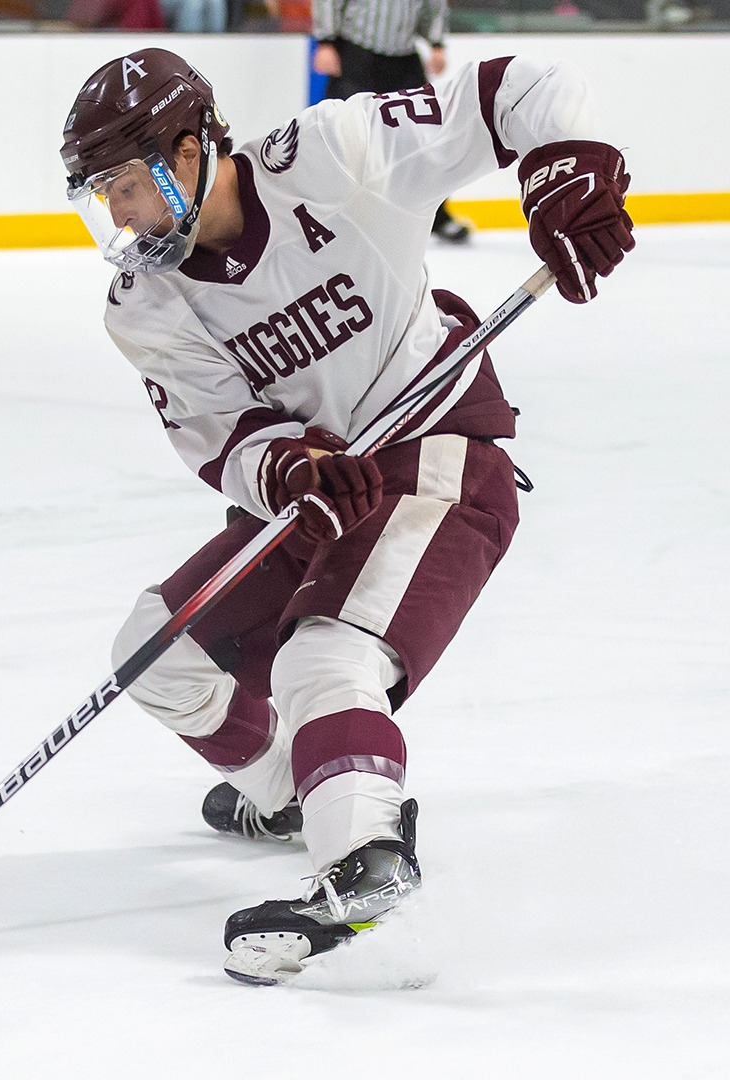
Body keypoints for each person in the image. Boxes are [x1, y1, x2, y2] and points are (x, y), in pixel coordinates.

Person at [58, 48, 631, 983]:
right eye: (103, 195)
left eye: (128, 184)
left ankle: (365, 859)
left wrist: (566, 170)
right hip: (327, 498)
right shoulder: (144, 303)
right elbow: (219, 437)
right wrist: (284, 469)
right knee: (153, 653)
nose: (119, 214)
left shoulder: (329, 158)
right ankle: (294, 794)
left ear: (193, 149)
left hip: (442, 454)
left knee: (325, 654)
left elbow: (521, 88)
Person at [312, 0, 473, 243]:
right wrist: (326, 42)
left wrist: (437, 44)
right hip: (356, 51)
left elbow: (433, 5)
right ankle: (326, 216)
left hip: (403, 58)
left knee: (425, 137)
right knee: (343, 137)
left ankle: (436, 216)